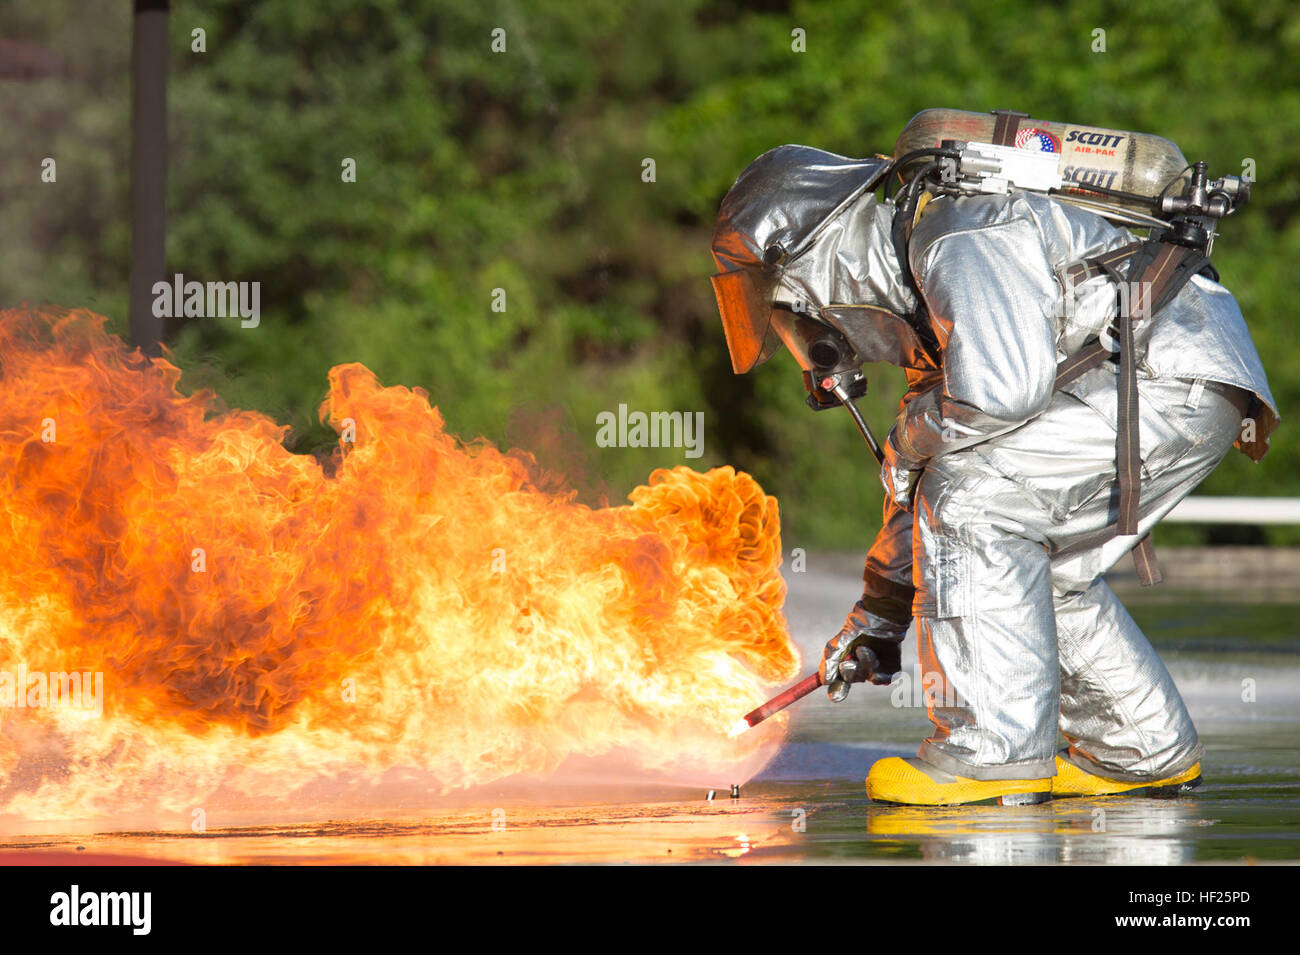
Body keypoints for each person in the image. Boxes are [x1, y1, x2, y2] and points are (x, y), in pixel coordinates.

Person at [710, 143, 1278, 806]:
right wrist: (880, 611)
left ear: (811, 259)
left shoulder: (957, 237)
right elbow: (925, 472)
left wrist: (906, 436)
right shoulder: (929, 292)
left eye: (789, 314)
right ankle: (1139, 749)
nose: (810, 339)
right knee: (1035, 565)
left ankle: (991, 751)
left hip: (1165, 373)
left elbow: (999, 396)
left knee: (974, 501)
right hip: (1184, 373)